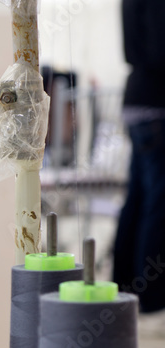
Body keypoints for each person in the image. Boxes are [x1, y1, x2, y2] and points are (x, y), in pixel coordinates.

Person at [113, 0, 165, 316]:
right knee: (158, 206)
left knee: (139, 200)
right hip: (156, 104)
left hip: (138, 100)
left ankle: (125, 289)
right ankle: (152, 298)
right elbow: (159, 49)